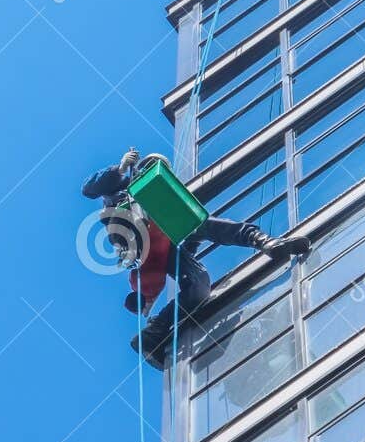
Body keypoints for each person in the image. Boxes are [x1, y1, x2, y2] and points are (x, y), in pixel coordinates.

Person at [82, 148, 310, 368]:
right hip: (137, 233)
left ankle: (153, 334)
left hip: (163, 239)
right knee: (201, 225)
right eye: (152, 166)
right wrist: (120, 168)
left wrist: (192, 239)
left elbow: (187, 237)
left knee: (200, 282)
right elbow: (88, 188)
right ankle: (262, 242)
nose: (155, 171)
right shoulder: (122, 187)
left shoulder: (162, 195)